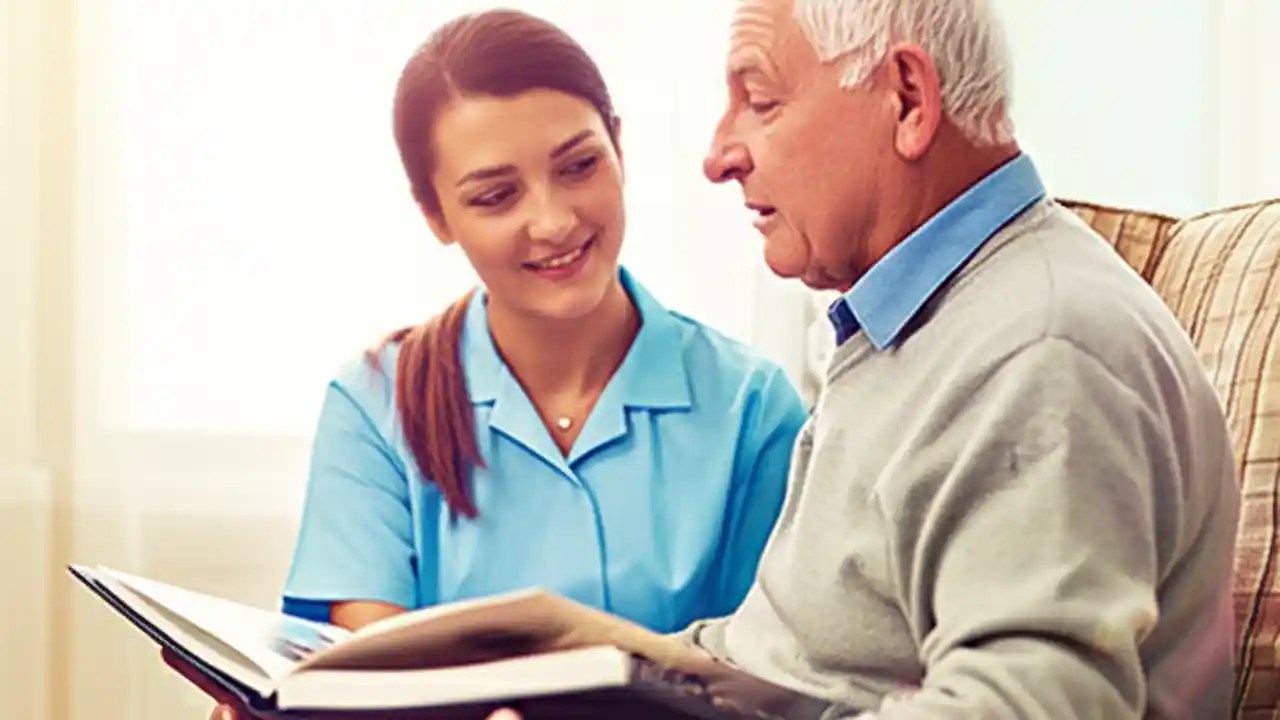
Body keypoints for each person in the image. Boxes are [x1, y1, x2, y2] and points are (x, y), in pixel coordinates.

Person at [492, 0, 1240, 717]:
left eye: (760, 100)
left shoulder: (1042, 349)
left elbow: (1030, 704)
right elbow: (798, 662)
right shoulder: (917, 325)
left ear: (909, 100)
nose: (719, 155)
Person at [177, 7, 808, 719]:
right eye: (496, 196)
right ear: (436, 216)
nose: (555, 221)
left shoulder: (753, 408)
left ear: (620, 150)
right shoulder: (373, 406)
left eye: (579, 166)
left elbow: (772, 687)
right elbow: (370, 686)